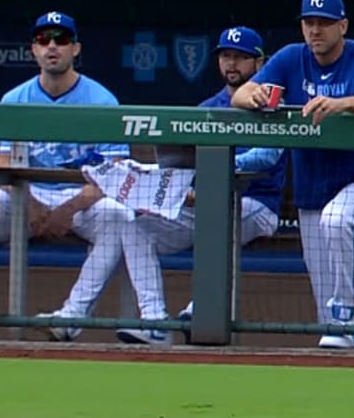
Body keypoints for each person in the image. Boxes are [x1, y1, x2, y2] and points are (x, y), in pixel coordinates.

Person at [233, 0, 354, 349]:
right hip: (312, 189)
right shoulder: (292, 57)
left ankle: (348, 309)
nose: (315, 30)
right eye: (309, 23)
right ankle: (344, 346)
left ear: (343, 25)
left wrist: (344, 104)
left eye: (324, 23)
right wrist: (254, 96)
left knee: (337, 220)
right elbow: (242, 92)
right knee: (329, 320)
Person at [0, 12, 128, 339]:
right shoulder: (15, 99)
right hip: (26, 194)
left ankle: (70, 318)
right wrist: (30, 206)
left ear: (76, 49)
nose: (52, 46)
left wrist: (65, 211)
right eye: (44, 40)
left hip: (80, 199)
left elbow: (111, 175)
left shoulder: (102, 100)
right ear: (33, 49)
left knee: (120, 218)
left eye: (61, 39)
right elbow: (4, 164)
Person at [114, 28, 287, 345]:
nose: (231, 63)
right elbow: (180, 160)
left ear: (259, 63)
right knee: (133, 225)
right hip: (205, 205)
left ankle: (201, 309)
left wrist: (218, 169)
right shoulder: (208, 106)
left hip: (255, 206)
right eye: (225, 56)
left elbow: (267, 156)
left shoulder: (271, 102)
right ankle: (155, 322)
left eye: (240, 57)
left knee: (218, 218)